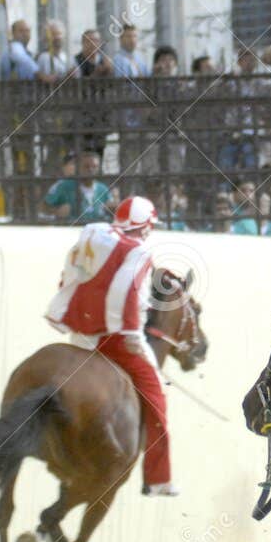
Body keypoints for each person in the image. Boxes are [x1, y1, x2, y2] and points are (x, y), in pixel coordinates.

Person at [44, 196, 179, 496]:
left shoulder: (92, 234)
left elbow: (70, 276)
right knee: (156, 394)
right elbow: (126, 292)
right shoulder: (140, 252)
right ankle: (159, 479)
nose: (149, 233)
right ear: (143, 226)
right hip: (117, 338)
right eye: (149, 227)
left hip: (81, 335)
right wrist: (131, 333)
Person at [43, 149, 115, 223]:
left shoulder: (102, 188)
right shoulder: (62, 186)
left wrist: (113, 208)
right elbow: (43, 208)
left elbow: (110, 208)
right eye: (86, 167)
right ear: (78, 168)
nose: (91, 170)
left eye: (95, 167)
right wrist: (57, 212)